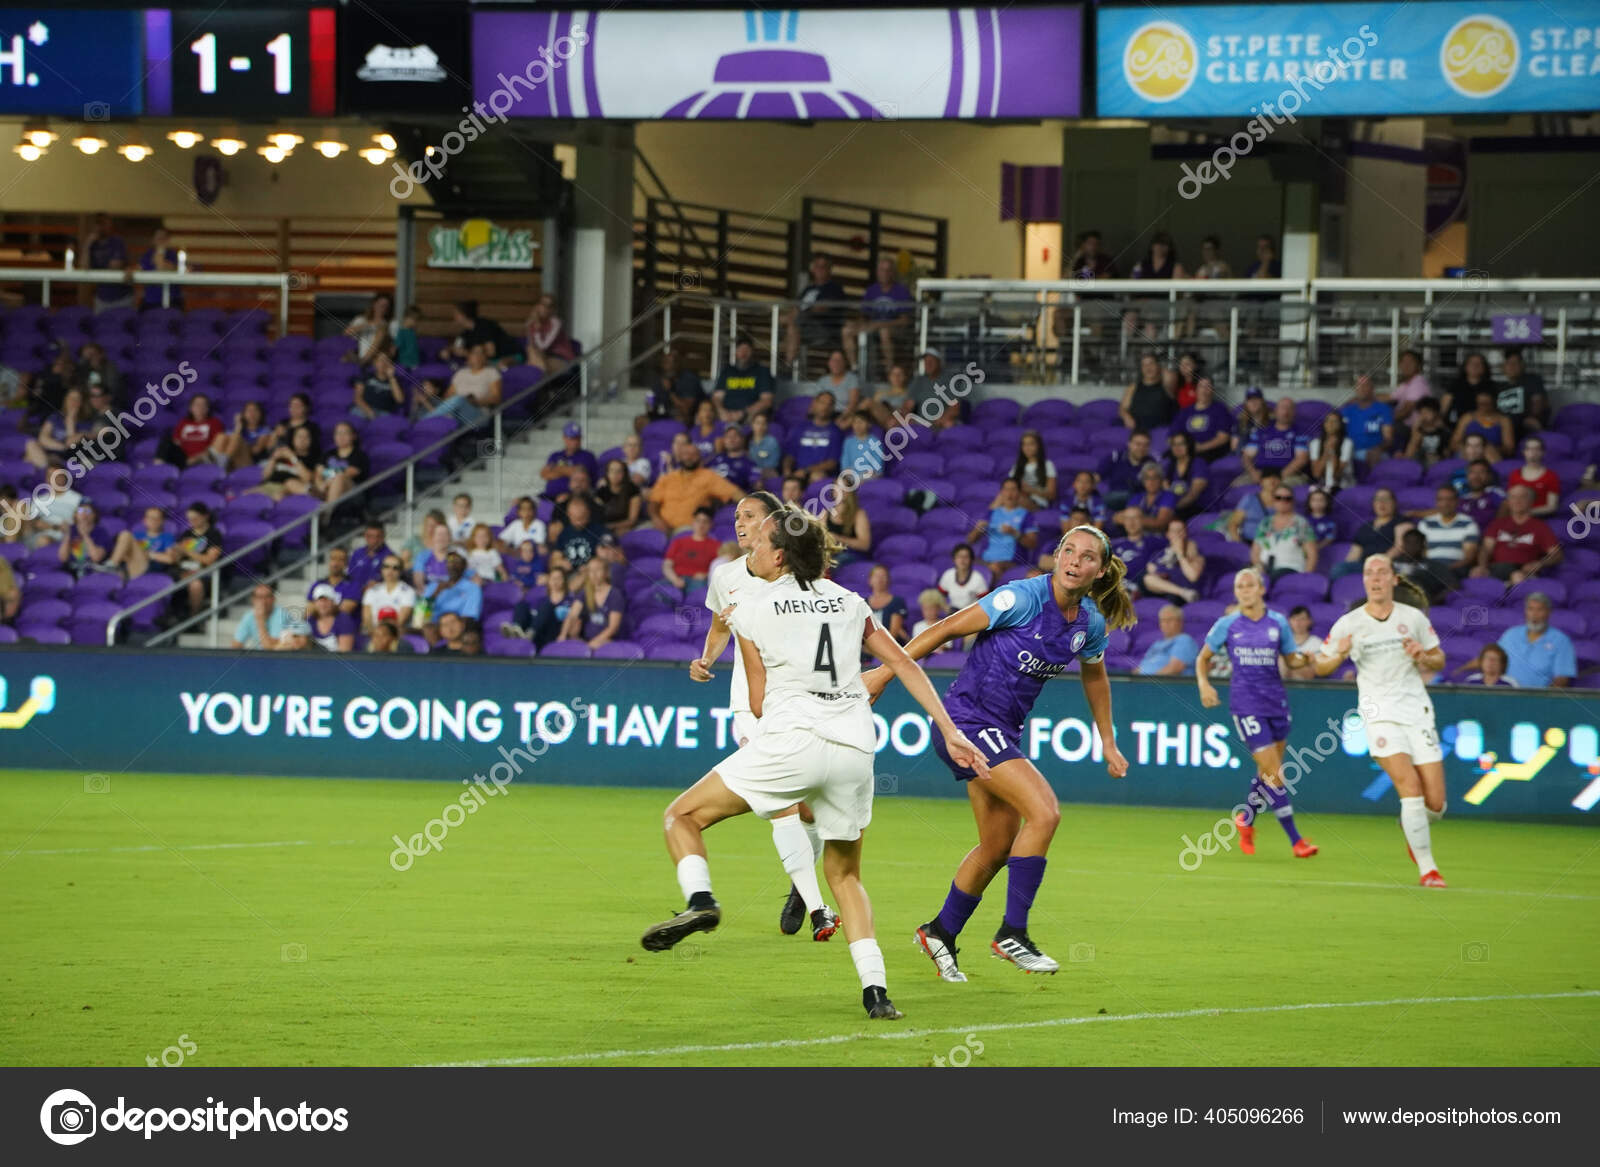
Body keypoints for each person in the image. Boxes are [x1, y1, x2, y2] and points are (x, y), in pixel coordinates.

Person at [643, 507, 989, 1023]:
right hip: (853, 749)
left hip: (793, 741)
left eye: (758, 545)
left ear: (779, 556)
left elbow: (758, 703)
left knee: (682, 817)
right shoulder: (852, 603)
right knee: (846, 876)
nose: (750, 552)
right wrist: (950, 729)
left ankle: (702, 900)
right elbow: (902, 663)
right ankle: (876, 993)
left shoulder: (753, 612)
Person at [863, 525, 1133, 979]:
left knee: (996, 845)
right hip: (966, 724)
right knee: (1045, 813)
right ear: (1056, 555)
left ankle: (940, 932)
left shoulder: (1089, 623)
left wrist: (1108, 740)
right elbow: (945, 628)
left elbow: (1095, 677)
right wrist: (885, 674)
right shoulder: (1021, 598)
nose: (1074, 560)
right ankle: (1013, 933)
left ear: (1100, 571)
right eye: (1068, 550)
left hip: (1002, 732)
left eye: (1087, 557)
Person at [694, 491, 844, 936]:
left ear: (774, 525)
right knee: (782, 803)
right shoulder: (726, 576)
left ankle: (804, 882)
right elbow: (722, 623)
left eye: (751, 516)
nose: (740, 524)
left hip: (801, 703)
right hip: (751, 705)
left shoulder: (801, 577)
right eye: (736, 516)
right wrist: (706, 659)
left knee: (814, 811)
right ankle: (818, 906)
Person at [1314, 558, 1447, 887]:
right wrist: (1338, 655)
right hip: (1378, 714)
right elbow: (1320, 667)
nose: (1375, 579)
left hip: (1417, 712)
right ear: (1363, 581)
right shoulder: (1349, 624)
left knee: (1436, 804)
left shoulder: (1412, 617)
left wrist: (1423, 655)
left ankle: (1411, 825)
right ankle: (1428, 869)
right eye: (1369, 574)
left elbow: (1439, 656)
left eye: (1381, 573)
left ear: (1393, 579)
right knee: (1410, 790)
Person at [1196, 568, 1319, 858]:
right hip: (1246, 705)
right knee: (1275, 773)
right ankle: (1296, 840)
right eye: (1239, 586)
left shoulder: (1278, 623)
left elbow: (1291, 659)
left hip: (1276, 702)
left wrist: (1306, 660)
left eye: (1249, 585)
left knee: (1266, 771)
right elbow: (1203, 658)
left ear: (1261, 589)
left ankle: (1246, 819)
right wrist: (1204, 684)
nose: (1244, 590)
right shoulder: (1227, 624)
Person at [649, 435, 743, 533]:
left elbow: (735, 493)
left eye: (693, 454)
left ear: (699, 458)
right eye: (686, 454)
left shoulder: (709, 476)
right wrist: (656, 519)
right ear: (680, 457)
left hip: (689, 528)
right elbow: (653, 502)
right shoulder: (668, 478)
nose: (689, 457)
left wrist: (753, 506)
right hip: (661, 524)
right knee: (640, 533)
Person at [1472, 484, 1561, 584]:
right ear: (1508, 502)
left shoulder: (1540, 527)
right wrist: (1482, 566)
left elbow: (1556, 555)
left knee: (1518, 577)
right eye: (1513, 497)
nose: (1517, 501)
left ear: (1531, 501)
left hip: (1523, 570)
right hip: (1497, 568)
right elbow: (1486, 549)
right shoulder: (1498, 524)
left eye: (1522, 497)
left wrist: (1539, 563)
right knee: (1475, 574)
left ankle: (1509, 587)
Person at [842, 255, 913, 376]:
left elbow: (905, 321)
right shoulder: (871, 290)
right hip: (873, 327)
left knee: (884, 331)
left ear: (893, 273)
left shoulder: (902, 291)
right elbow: (864, 316)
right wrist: (857, 324)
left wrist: (881, 324)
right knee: (847, 330)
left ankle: (889, 371)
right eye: (881, 270)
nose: (884, 273)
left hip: (896, 330)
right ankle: (855, 368)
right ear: (877, 272)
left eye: (888, 270)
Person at [781, 254, 847, 371]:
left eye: (823, 266)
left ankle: (787, 366)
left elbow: (822, 308)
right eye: (817, 266)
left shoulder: (834, 288)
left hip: (824, 330)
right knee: (785, 322)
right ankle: (785, 364)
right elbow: (795, 307)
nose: (820, 269)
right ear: (813, 269)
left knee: (792, 327)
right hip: (803, 327)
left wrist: (801, 311)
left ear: (829, 269)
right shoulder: (808, 289)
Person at [1497, 592, 1576, 688]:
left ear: (1548, 612)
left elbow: (1561, 679)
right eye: (1530, 609)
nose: (1534, 614)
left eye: (1540, 610)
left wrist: (1544, 699)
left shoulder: (1561, 640)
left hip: (1539, 698)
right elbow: (1491, 657)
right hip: (1505, 695)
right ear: (1525, 612)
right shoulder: (1511, 634)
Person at [1331, 487, 1409, 580]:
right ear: (1373, 504)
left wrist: (1378, 563)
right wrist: (1346, 565)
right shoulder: (1365, 527)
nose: (1381, 503)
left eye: (1386, 499)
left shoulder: (1402, 522)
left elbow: (1399, 547)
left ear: (1394, 503)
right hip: (1364, 566)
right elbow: (1355, 552)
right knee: (1340, 568)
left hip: (1388, 565)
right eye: (1378, 500)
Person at [1416, 485, 1480, 589]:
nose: (1445, 504)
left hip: (1456, 567)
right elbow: (1421, 553)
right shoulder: (1426, 523)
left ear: (1457, 501)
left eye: (1450, 499)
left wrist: (1444, 569)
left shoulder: (1468, 523)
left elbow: (1469, 557)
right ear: (1436, 502)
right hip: (1431, 567)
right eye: (1441, 500)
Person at [1251, 485, 1318, 581]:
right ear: (1273, 500)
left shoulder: (1301, 523)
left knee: (1272, 578)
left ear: (1293, 501)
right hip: (1264, 568)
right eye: (1278, 498)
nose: (1282, 501)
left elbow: (1312, 555)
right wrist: (1258, 566)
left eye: (1287, 498)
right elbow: (1255, 552)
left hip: (1291, 569)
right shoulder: (1265, 523)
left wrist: (1304, 578)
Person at [426, 343, 501, 427]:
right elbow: (448, 396)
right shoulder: (461, 373)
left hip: (479, 413)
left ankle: (423, 422)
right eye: (474, 353)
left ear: (485, 357)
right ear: (469, 355)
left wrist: (475, 401)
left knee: (458, 399)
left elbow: (496, 398)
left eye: (480, 353)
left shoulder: (491, 372)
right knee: (431, 402)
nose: (477, 356)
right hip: (457, 411)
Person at [502, 564, 576, 648]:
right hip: (540, 631)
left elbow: (571, 618)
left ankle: (531, 632)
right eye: (553, 578)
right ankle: (516, 628)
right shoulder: (542, 597)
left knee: (548, 607)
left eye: (558, 578)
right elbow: (534, 613)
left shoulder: (569, 599)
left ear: (564, 580)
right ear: (549, 580)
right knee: (521, 605)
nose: (555, 581)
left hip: (554, 631)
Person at [562, 558, 628, 650]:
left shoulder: (615, 595)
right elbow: (572, 615)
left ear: (606, 572)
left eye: (598, 569)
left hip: (609, 641)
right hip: (587, 640)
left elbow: (613, 627)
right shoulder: (585, 592)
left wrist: (594, 642)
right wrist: (563, 635)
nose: (594, 574)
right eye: (591, 570)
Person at [1241, 397, 1310, 484]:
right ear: (1275, 411)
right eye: (1282, 408)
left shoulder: (1300, 432)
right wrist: (1253, 473)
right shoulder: (1261, 431)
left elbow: (1301, 459)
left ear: (1294, 412)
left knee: (1286, 489)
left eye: (1289, 408)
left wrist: (1279, 477)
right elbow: (1247, 456)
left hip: (1288, 475)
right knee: (1236, 487)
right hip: (1259, 472)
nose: (1286, 411)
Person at [419, 552, 482, 644]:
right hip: (434, 624)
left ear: (464, 566)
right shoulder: (434, 586)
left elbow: (469, 617)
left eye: (457, 562)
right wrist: (436, 592)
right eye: (450, 562)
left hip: (458, 625)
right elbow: (421, 614)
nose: (452, 565)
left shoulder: (472, 588)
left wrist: (447, 628)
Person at [970, 478, 1028, 579]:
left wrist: (1014, 533)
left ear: (1019, 493)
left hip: (1010, 562)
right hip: (986, 560)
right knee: (964, 561)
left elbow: (1032, 543)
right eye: (1006, 490)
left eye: (1013, 489)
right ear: (1001, 492)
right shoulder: (991, 513)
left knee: (995, 567)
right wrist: (977, 530)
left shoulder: (1026, 515)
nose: (1009, 493)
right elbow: (970, 540)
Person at [782, 391, 844, 483]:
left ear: (833, 408)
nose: (825, 407)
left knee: (817, 476)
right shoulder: (800, 428)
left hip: (819, 475)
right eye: (822, 402)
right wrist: (787, 470)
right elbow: (790, 455)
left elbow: (832, 463)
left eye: (829, 404)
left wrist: (806, 470)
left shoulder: (835, 432)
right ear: (814, 404)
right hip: (797, 474)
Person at [711, 338, 776, 425]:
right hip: (726, 416)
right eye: (740, 349)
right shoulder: (727, 371)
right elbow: (717, 398)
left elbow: (766, 401)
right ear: (736, 352)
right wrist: (722, 412)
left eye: (747, 350)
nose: (743, 353)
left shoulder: (762, 371)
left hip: (750, 416)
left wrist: (743, 413)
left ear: (753, 352)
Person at [107, 506, 178, 582]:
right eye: (150, 518)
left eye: (156, 518)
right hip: (130, 565)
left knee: (126, 534)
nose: (153, 521)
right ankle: (112, 566)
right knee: (125, 535)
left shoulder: (167, 537)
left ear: (162, 521)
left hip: (147, 567)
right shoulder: (137, 535)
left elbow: (170, 559)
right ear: (144, 520)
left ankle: (111, 566)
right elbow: (124, 555)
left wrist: (147, 554)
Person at [1144, 518, 1205, 605]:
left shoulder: (1194, 553)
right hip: (1166, 593)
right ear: (1168, 534)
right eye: (1174, 531)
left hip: (1189, 596)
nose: (1178, 533)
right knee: (1148, 578)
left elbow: (1193, 576)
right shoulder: (1158, 555)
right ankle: (1183, 592)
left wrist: (1180, 554)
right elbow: (1151, 577)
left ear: (1186, 533)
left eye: (1181, 530)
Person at [1173, 376, 1234, 462]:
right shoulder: (1185, 412)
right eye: (1201, 386)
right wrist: (1182, 448)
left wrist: (1200, 447)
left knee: (1196, 461)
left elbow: (1223, 437)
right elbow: (1172, 435)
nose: (1204, 390)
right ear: (1196, 389)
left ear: (1213, 390)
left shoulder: (1220, 409)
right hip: (1186, 450)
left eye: (1208, 387)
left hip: (1210, 451)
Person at [1338, 376, 1394, 467]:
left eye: (1365, 385)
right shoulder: (1347, 410)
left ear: (1372, 389)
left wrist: (1378, 449)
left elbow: (1388, 438)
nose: (1362, 389)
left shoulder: (1383, 409)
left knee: (1376, 456)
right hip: (1350, 452)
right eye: (1359, 386)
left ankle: (1374, 481)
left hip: (1376, 451)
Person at [663, 508, 721, 594]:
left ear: (711, 524)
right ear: (693, 522)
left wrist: (706, 575)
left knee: (701, 593)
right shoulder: (679, 542)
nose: (701, 525)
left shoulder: (717, 546)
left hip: (699, 582)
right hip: (675, 578)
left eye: (705, 522)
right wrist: (675, 580)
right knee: (658, 590)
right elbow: (667, 565)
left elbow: (720, 568)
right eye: (698, 521)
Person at [1097, 430, 1157, 511]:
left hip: (1139, 502)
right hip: (1114, 499)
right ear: (1129, 444)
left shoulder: (1151, 463)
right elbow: (1096, 477)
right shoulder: (1115, 457)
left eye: (1146, 445)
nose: (1141, 448)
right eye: (1138, 444)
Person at [1449, 390, 1514, 462]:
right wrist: (1471, 448)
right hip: (1468, 452)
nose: (1483, 407)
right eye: (1480, 404)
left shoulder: (1503, 420)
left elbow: (1509, 448)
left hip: (1491, 453)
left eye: (1487, 404)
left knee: (1489, 453)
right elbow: (1454, 443)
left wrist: (1485, 448)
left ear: (1494, 402)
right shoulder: (1467, 418)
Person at [84, 213, 132, 312]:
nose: (101, 227)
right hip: (102, 297)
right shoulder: (92, 245)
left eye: (104, 223)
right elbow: (83, 267)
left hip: (121, 297)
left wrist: (96, 270)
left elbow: (115, 266)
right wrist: (87, 245)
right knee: (102, 326)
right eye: (98, 223)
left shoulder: (117, 241)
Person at [163, 394, 226, 469]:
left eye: (204, 405)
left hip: (203, 458)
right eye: (197, 405)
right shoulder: (183, 422)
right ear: (191, 408)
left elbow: (217, 445)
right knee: (166, 441)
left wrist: (198, 457)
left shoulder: (215, 422)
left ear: (208, 408)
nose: (200, 407)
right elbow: (176, 442)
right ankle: (158, 468)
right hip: (183, 457)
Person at [540, 422, 599, 501]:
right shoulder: (555, 455)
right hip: (549, 497)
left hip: (575, 499)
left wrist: (555, 469)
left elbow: (579, 473)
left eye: (577, 438)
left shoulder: (587, 456)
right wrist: (568, 470)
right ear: (564, 438)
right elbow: (544, 474)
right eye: (571, 438)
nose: (575, 442)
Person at [312, 422, 367, 506]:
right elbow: (318, 472)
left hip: (353, 492)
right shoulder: (328, 454)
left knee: (339, 477)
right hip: (326, 489)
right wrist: (320, 485)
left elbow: (349, 472)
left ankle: (327, 512)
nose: (341, 437)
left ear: (353, 436)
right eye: (338, 433)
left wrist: (327, 481)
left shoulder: (359, 455)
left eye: (345, 433)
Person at [1112, 509, 1164, 596]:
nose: (1131, 522)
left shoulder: (1154, 541)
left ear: (1143, 520)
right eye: (1128, 519)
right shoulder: (1114, 544)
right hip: (1119, 587)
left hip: (1144, 588)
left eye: (1135, 518)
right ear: (1124, 522)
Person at [522, 293, 576, 376]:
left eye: (549, 306)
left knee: (533, 366)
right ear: (537, 306)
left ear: (553, 309)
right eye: (543, 304)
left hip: (560, 357)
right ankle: (542, 378)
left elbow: (543, 346)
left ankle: (540, 377)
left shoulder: (556, 323)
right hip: (542, 357)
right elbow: (531, 345)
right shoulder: (532, 323)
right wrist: (531, 325)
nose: (545, 308)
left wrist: (537, 328)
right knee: (531, 351)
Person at [1497, 349, 1549, 436]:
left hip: (1524, 424)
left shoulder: (1532, 380)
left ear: (1522, 366)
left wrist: (1533, 417)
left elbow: (1538, 403)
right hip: (1503, 425)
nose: (1512, 366)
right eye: (1508, 363)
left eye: (1515, 363)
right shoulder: (1499, 387)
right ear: (1503, 367)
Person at [1506, 436, 1561, 517]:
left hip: (1540, 518)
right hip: (1516, 517)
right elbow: (1510, 500)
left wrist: (1528, 513)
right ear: (1524, 452)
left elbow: (1552, 506)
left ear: (1543, 452)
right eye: (1529, 449)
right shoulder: (1514, 474)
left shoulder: (1551, 476)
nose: (1533, 452)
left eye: (1537, 449)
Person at [1119, 352, 1174, 433]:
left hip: (1160, 431)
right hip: (1136, 430)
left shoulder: (1167, 386)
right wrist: (1126, 417)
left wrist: (1160, 367)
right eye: (1144, 365)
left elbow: (1170, 376)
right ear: (1141, 369)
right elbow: (1122, 408)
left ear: (1158, 366)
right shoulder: (1133, 387)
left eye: (1151, 363)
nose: (1148, 368)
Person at [1139, 605, 1199, 676]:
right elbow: (1141, 667)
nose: (1166, 623)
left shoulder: (1184, 640)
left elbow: (1175, 668)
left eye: (1170, 620)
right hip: (1143, 682)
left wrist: (1148, 680)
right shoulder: (1157, 643)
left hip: (1163, 684)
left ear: (1180, 622)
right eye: (1163, 620)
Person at [362, 554, 415, 633]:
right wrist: (375, 635)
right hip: (373, 634)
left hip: (397, 634)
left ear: (400, 571)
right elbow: (367, 618)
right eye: (386, 566)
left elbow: (401, 620)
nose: (390, 571)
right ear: (382, 569)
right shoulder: (371, 591)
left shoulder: (409, 591)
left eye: (395, 568)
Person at [1444, 352, 1499, 427]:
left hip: (1484, 425)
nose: (1475, 366)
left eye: (1479, 364)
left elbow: (1495, 411)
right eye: (1471, 363)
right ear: (1465, 367)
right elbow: (1444, 407)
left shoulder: (1491, 386)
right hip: (1456, 426)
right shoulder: (1455, 385)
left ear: (1484, 368)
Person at [57, 502, 111, 578]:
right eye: (80, 511)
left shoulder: (101, 532)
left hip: (93, 572)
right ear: (75, 515)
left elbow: (96, 558)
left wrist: (85, 535)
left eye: (88, 511)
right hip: (71, 572)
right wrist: (67, 534)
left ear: (94, 515)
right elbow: (63, 558)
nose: (84, 514)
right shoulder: (71, 530)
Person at [1163, 431, 1209, 519]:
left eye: (1181, 444)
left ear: (1189, 445)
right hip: (1175, 510)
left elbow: (1193, 494)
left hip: (1197, 510)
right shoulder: (1169, 466)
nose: (1177, 447)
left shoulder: (1198, 463)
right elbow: (1165, 491)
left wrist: (1173, 508)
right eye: (1174, 444)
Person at [1226, 471, 1282, 544]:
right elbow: (1233, 524)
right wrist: (1239, 544)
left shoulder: (1285, 501)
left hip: (1274, 544)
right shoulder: (1249, 499)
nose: (1272, 480)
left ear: (1281, 482)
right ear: (1261, 482)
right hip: (1248, 542)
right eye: (1268, 477)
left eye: (1276, 477)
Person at [1121, 462, 1177, 534]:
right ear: (1143, 481)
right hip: (1137, 537)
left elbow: (1161, 523)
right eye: (1147, 478)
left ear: (1161, 480)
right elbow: (1119, 518)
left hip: (1159, 538)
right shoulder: (1137, 497)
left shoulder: (1168, 496)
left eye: (1155, 478)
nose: (1151, 481)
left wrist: (1133, 520)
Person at [823, 478, 872, 561]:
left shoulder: (858, 514)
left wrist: (838, 538)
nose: (840, 491)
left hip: (850, 554)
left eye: (843, 487)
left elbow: (865, 545)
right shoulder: (826, 512)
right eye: (837, 487)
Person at [1308, 410, 1356, 491]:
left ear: (1340, 425)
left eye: (1335, 421)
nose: (1331, 424)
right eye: (1328, 421)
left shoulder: (1347, 443)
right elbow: (1316, 474)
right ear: (1324, 424)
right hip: (1323, 485)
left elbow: (1336, 475)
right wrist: (1326, 452)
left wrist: (1332, 451)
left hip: (1343, 484)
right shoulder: (1315, 443)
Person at [343, 292, 396, 365]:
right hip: (361, 354)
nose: (382, 308)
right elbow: (346, 333)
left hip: (379, 357)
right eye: (380, 305)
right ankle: (362, 362)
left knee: (382, 330)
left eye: (385, 306)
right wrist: (369, 325)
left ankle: (364, 361)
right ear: (374, 304)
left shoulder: (392, 323)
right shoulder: (361, 320)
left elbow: (394, 347)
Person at [138, 227, 183, 310]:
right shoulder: (147, 255)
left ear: (168, 240)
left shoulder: (174, 255)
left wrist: (160, 253)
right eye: (158, 238)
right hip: (151, 301)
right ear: (153, 240)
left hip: (172, 301)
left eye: (163, 238)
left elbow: (163, 267)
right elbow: (138, 268)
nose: (161, 241)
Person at [310, 546, 362, 616]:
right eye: (333, 559)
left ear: (346, 563)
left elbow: (344, 611)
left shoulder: (353, 585)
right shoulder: (317, 584)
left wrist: (320, 607)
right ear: (328, 561)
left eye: (341, 560)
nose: (335, 563)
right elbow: (309, 611)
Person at [1011, 430, 1057, 510]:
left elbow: (1052, 494)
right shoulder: (1016, 467)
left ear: (1038, 446)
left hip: (1038, 503)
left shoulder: (1048, 465)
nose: (1027, 448)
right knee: (1004, 496)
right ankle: (986, 517)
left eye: (1031, 444)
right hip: (1017, 499)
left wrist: (1030, 490)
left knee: (1015, 500)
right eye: (1024, 444)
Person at [351, 351, 405, 419]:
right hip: (363, 409)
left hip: (384, 413)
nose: (383, 364)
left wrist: (391, 377)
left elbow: (400, 400)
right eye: (380, 360)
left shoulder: (395, 381)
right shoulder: (366, 376)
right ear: (375, 363)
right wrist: (369, 411)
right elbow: (357, 397)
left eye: (387, 361)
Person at [595, 458, 643, 534]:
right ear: (607, 473)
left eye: (619, 471)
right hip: (605, 527)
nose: (615, 474)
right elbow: (597, 516)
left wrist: (612, 526)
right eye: (612, 471)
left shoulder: (633, 490)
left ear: (624, 473)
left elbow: (632, 520)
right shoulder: (601, 491)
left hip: (626, 527)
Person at [1458, 458, 1507, 533]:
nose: (1476, 476)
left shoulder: (1495, 493)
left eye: (1481, 472)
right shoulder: (1462, 498)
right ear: (1467, 476)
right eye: (1472, 472)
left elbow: (1506, 506)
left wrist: (1493, 532)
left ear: (1489, 476)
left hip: (1488, 537)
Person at [812, 349, 863, 420]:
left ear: (845, 363)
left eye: (839, 360)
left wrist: (841, 419)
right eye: (833, 360)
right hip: (825, 414)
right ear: (829, 363)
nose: (836, 363)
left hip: (844, 414)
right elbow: (815, 403)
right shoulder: (822, 380)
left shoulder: (852, 379)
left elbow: (853, 403)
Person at [232, 584, 286, 651]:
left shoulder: (281, 615)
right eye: (259, 597)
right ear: (253, 600)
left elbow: (271, 649)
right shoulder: (249, 616)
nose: (263, 601)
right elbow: (236, 645)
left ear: (273, 599)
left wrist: (260, 621)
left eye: (267, 597)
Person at [707, 425, 760, 492]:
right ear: (724, 440)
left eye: (735, 436)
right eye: (728, 436)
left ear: (742, 439)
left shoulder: (749, 463)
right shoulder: (715, 458)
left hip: (733, 499)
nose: (731, 439)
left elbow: (757, 485)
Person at [865, 564, 908, 643]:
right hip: (869, 648)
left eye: (883, 576)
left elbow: (894, 633)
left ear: (889, 580)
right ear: (870, 580)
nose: (880, 580)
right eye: (876, 576)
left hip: (891, 646)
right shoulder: (864, 603)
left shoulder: (897, 601)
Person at [307, 584, 357, 652]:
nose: (323, 604)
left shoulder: (344, 620)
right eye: (320, 600)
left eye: (326, 600)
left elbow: (345, 652)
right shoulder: (310, 620)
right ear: (315, 603)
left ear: (333, 602)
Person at [1402, 397, 1450, 467]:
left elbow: (1447, 453)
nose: (1424, 415)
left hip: (1438, 463)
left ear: (1436, 413)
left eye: (1427, 412)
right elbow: (1409, 454)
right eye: (1421, 413)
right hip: (1419, 463)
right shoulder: (1417, 432)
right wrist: (1415, 430)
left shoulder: (1443, 432)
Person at [1388, 350, 1432, 426]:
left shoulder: (1418, 383)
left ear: (1418, 366)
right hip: (1404, 425)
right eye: (1403, 362)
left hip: (1414, 429)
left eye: (1410, 362)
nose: (1406, 365)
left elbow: (1406, 412)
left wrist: (1384, 419)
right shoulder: (1407, 383)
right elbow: (1389, 397)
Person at [939, 543, 989, 610]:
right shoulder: (948, 574)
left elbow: (985, 602)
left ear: (971, 560)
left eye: (966, 557)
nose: (962, 560)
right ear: (954, 559)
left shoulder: (978, 578)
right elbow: (941, 596)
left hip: (970, 613)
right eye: (959, 556)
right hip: (952, 613)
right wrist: (946, 608)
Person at [839, 413, 886, 481]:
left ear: (869, 424)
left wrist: (864, 476)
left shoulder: (875, 442)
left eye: (861, 422)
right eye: (855, 422)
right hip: (851, 476)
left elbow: (878, 468)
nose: (857, 425)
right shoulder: (848, 442)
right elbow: (845, 462)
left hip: (869, 476)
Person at [1284, 604, 1322, 680]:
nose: (1298, 623)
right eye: (1294, 619)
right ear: (1289, 621)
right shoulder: (1282, 642)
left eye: (1302, 619)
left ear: (1309, 621)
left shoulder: (1317, 643)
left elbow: (1316, 669)